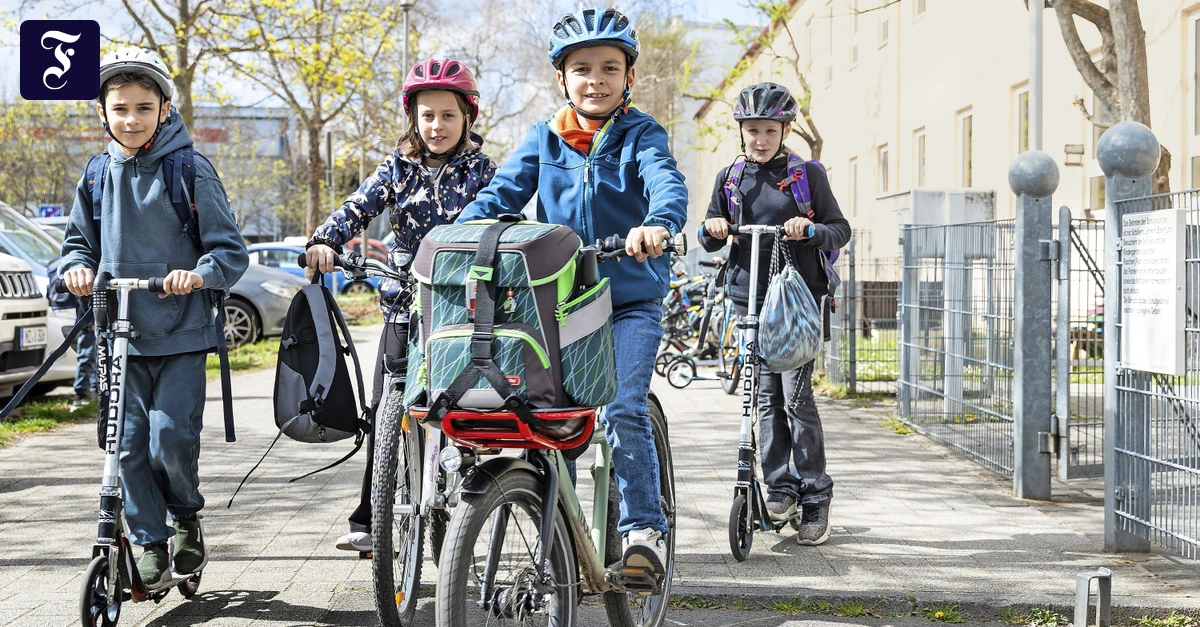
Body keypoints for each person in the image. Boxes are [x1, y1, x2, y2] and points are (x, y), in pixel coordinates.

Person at [456, 7, 688, 582]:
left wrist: (657, 223)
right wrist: (457, 236)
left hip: (629, 300)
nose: (596, 80)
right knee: (547, 419)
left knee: (623, 406)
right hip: (560, 304)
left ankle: (644, 532)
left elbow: (666, 181)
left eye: (610, 67)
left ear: (629, 76)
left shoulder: (641, 133)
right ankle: (561, 537)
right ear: (562, 77)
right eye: (582, 69)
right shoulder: (545, 138)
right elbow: (499, 195)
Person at [59, 47, 249, 588]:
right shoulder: (98, 173)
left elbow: (229, 250)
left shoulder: (190, 169)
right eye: (120, 109)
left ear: (165, 109)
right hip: (119, 335)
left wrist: (199, 274)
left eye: (144, 108)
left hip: (181, 332)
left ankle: (186, 518)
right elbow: (77, 244)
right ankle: (148, 542)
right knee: (125, 448)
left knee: (170, 440)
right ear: (102, 111)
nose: (131, 119)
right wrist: (76, 268)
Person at [304, 58, 498, 553]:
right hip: (403, 303)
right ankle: (371, 518)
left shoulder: (483, 172)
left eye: (448, 116)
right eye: (427, 115)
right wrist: (325, 239)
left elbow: (505, 222)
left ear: (468, 117)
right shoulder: (396, 169)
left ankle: (464, 503)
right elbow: (356, 207)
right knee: (385, 412)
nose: (437, 126)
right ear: (414, 117)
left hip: (460, 308)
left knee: (463, 407)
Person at [698, 82, 851, 546]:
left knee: (796, 400)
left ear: (784, 130)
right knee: (764, 398)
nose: (760, 139)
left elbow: (839, 230)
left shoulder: (807, 175)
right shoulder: (731, 178)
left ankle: (815, 494)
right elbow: (708, 236)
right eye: (752, 130)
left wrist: (810, 229)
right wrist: (713, 228)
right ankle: (780, 486)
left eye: (769, 130)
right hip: (748, 300)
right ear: (741, 131)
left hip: (796, 305)